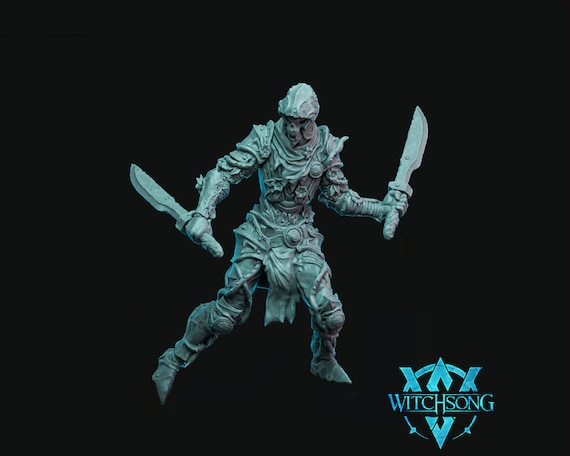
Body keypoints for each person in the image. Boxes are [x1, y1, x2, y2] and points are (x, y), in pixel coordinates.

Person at [151, 82, 408, 404]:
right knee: (225, 316)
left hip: (301, 236)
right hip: (260, 231)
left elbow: (339, 198)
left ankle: (323, 359)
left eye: (300, 123)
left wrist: (380, 209)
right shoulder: (265, 137)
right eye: (288, 121)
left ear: (311, 121)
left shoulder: (325, 146)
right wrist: (204, 213)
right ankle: (173, 359)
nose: (292, 130)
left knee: (331, 314)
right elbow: (224, 172)